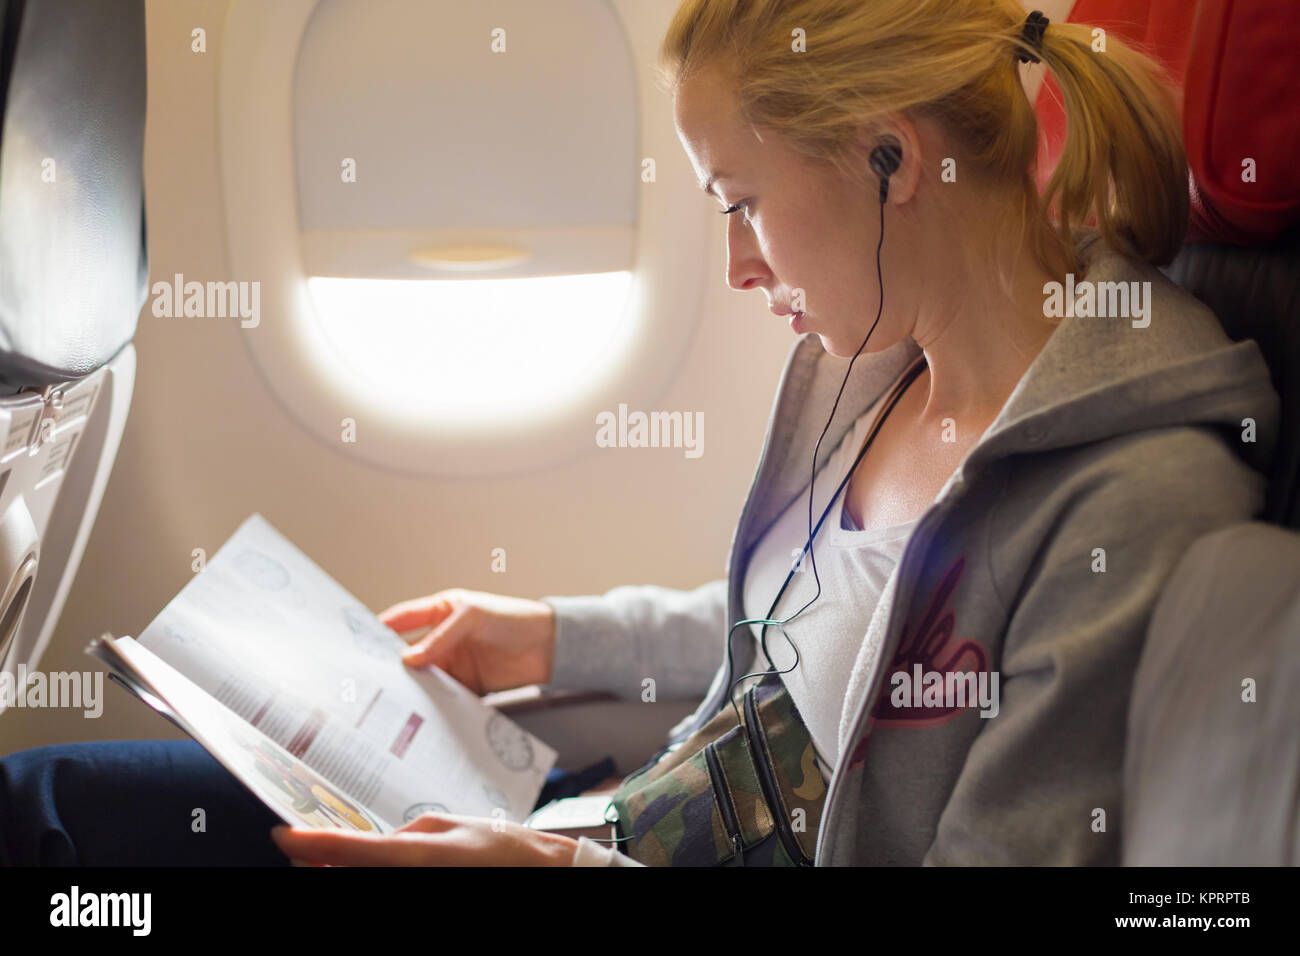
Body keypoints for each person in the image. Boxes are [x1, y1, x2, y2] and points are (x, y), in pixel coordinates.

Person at [0, 0, 1279, 867]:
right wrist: (556, 633)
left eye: (742, 203)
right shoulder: (880, 365)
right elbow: (816, 639)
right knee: (43, 813)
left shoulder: (1134, 503)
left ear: (892, 162)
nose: (732, 264)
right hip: (615, 820)